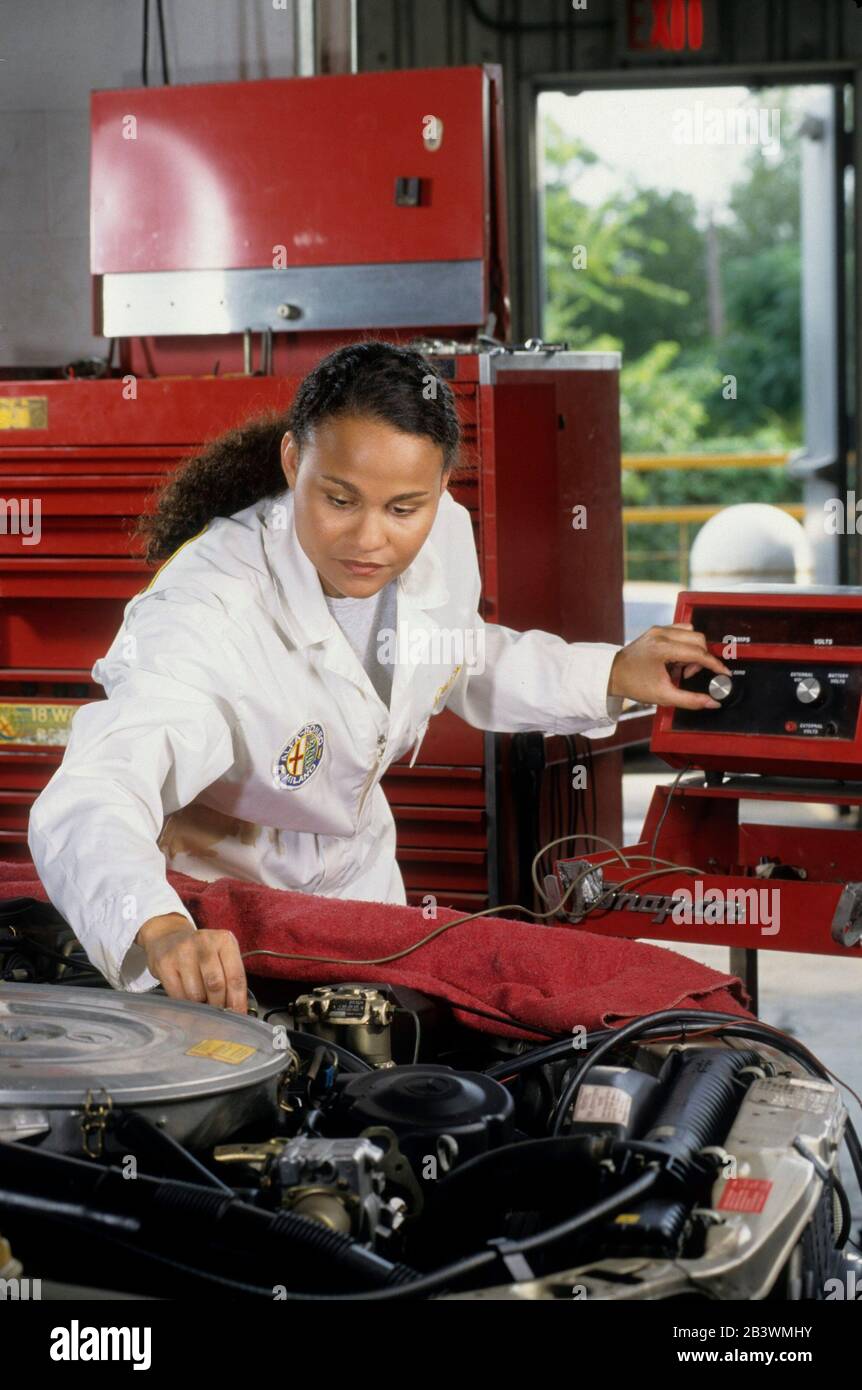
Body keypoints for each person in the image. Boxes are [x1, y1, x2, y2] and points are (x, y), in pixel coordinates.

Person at [28, 341, 730, 1014]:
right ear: (292, 458)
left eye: (403, 509)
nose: (370, 539)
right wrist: (157, 926)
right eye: (339, 500)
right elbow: (96, 792)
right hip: (224, 925)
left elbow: (462, 655)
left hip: (366, 898)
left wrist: (610, 671)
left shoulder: (443, 532)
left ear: (439, 487)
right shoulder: (207, 609)